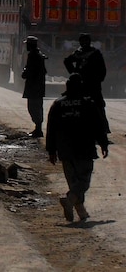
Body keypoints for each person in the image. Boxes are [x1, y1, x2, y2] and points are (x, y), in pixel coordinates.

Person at [46, 74, 110, 222]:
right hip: (84, 149)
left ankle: (81, 212)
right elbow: (99, 126)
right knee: (83, 182)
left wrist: (51, 150)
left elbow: (51, 130)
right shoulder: (88, 104)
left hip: (65, 150)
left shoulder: (58, 104)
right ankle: (69, 201)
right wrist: (104, 144)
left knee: (74, 181)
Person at [64, 33, 109, 133]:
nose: (84, 43)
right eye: (82, 41)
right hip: (81, 84)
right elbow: (67, 61)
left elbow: (102, 69)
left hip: (93, 84)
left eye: (86, 41)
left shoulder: (95, 53)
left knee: (98, 106)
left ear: (89, 42)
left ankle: (103, 129)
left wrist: (98, 79)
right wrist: (74, 74)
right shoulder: (78, 53)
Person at [21, 36, 47, 138]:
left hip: (34, 87)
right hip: (38, 87)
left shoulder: (33, 56)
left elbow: (31, 72)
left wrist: (25, 73)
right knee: (37, 107)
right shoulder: (38, 55)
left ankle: (38, 129)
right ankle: (38, 129)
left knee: (33, 108)